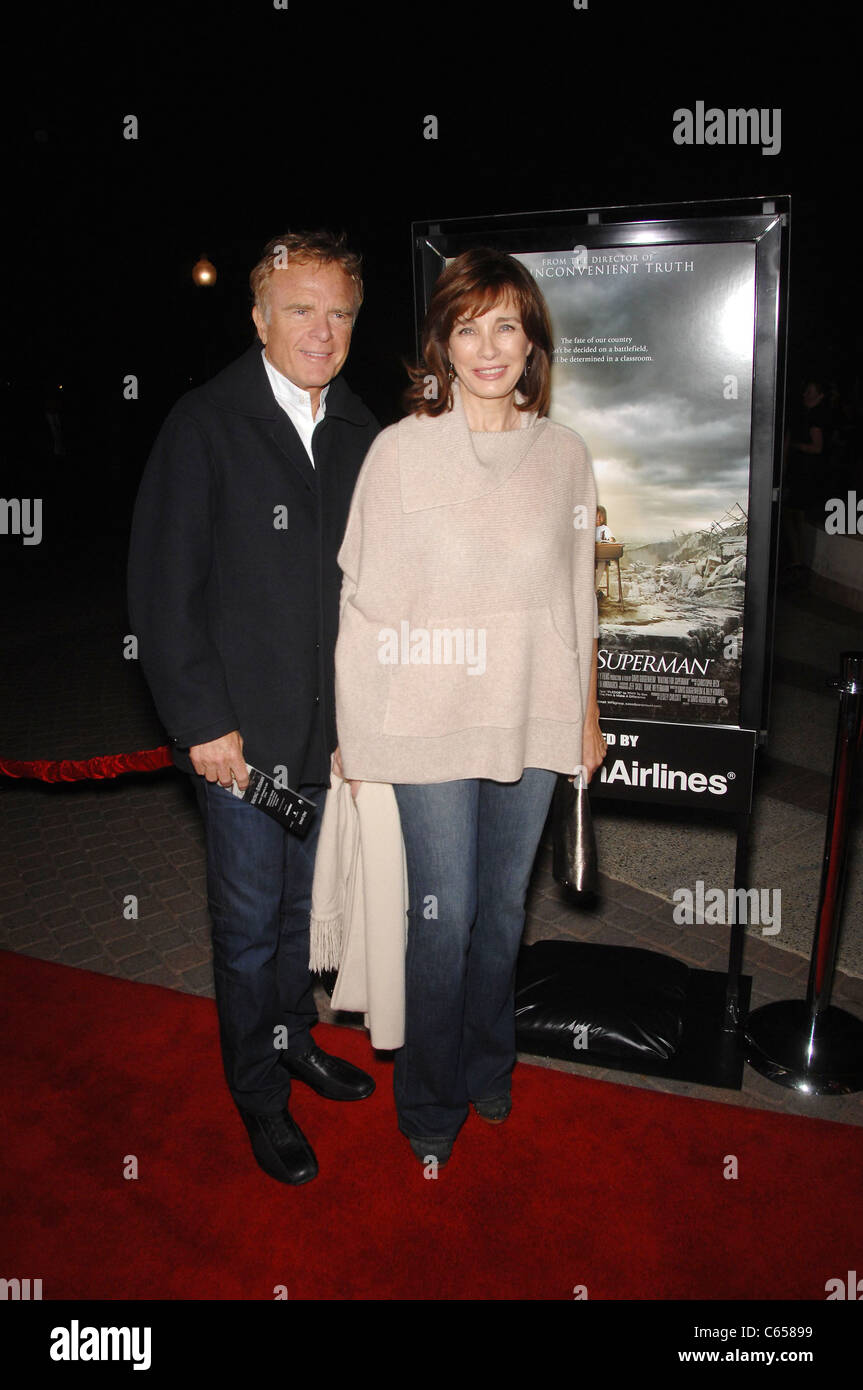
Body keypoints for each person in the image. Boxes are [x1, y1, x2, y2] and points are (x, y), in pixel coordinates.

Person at [332, 247, 606, 1166]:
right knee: (442, 926)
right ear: (440, 346)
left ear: (530, 343)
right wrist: (356, 735)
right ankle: (428, 1109)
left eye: (505, 326)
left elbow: (579, 599)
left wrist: (587, 718)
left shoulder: (564, 456)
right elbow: (363, 607)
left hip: (532, 721)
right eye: (465, 328)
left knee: (500, 921)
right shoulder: (399, 453)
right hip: (426, 727)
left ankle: (492, 1067)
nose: (486, 347)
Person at [127, 231, 379, 1186]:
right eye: (302, 309)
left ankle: (295, 1043)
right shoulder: (207, 423)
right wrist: (199, 722)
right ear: (260, 318)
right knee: (247, 928)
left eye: (341, 311)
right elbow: (163, 588)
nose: (323, 329)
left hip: (331, 738)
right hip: (239, 745)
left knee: (300, 919)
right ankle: (257, 1095)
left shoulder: (360, 428)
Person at [595, 503, 615, 596]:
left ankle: (594, 588)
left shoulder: (605, 529)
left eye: (600, 516)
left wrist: (610, 540)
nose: (598, 518)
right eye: (595, 516)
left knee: (601, 565)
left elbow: (611, 538)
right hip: (591, 557)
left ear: (604, 518)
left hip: (602, 556)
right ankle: (594, 589)